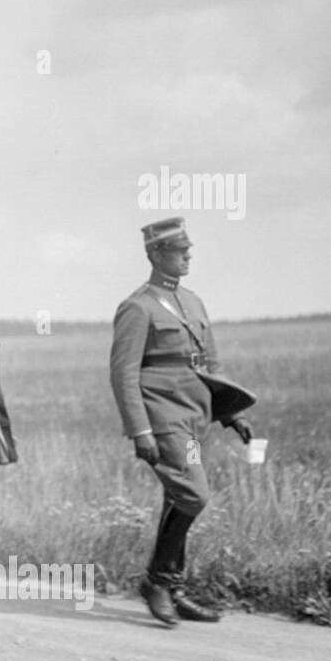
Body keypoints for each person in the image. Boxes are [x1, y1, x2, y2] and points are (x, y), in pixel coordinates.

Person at [109, 217, 255, 626]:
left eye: (188, 248)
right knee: (194, 494)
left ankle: (173, 588)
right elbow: (123, 373)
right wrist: (140, 430)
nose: (188, 255)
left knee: (180, 496)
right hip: (161, 417)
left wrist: (231, 413)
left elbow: (212, 364)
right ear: (155, 254)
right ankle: (156, 581)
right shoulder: (137, 307)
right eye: (179, 250)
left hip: (195, 417)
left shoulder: (193, 301)